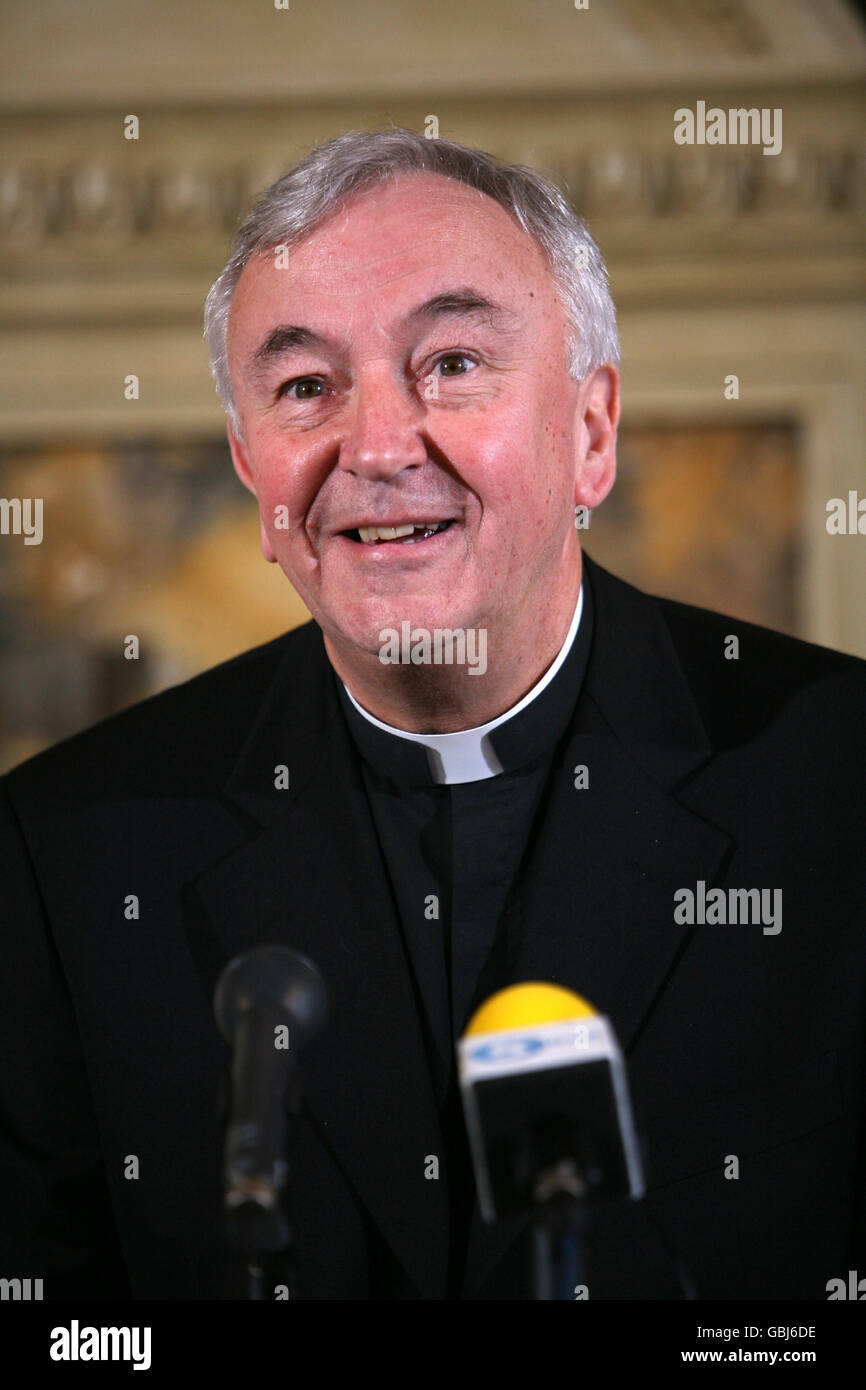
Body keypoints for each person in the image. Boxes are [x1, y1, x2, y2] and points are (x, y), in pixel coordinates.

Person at [1, 129, 863, 1301]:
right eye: (306, 387)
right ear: (256, 478)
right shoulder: (70, 852)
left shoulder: (836, 779)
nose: (376, 446)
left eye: (451, 363)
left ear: (590, 435)